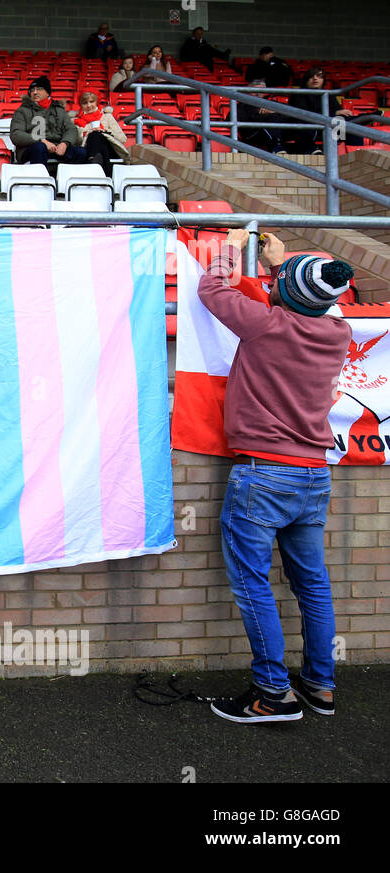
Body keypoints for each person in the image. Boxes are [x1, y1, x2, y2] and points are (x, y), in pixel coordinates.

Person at [200, 229, 354, 724]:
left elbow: (211, 289)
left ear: (286, 293)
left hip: (264, 474)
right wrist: (281, 268)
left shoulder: (268, 325)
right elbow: (309, 301)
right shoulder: (338, 333)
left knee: (252, 583)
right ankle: (320, 686)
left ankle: (272, 693)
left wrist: (230, 247)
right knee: (312, 584)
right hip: (313, 476)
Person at [286, 68, 366, 152]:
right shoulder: (298, 94)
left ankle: (356, 154)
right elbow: (304, 115)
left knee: (352, 125)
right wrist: (334, 113)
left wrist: (338, 113)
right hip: (309, 130)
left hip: (330, 130)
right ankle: (365, 118)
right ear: (305, 79)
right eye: (311, 76)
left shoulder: (328, 94)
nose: (315, 79)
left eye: (319, 76)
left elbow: (338, 113)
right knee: (349, 122)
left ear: (323, 80)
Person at [9, 76, 84, 165]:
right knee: (40, 147)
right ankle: (39, 178)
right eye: (32, 90)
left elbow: (71, 129)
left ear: (47, 92)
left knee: (81, 152)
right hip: (31, 147)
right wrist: (41, 140)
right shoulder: (22, 110)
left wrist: (65, 143)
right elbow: (16, 135)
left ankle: (68, 178)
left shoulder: (59, 109)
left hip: (56, 147)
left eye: (39, 89)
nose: (35, 92)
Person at [72, 91, 127, 175]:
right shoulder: (75, 121)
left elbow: (122, 138)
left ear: (96, 102)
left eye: (91, 101)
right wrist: (88, 132)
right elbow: (76, 142)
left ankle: (94, 164)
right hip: (87, 149)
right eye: (85, 103)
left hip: (110, 149)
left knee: (97, 135)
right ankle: (106, 173)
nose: (89, 105)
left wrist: (105, 131)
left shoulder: (107, 117)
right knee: (94, 135)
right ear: (81, 105)